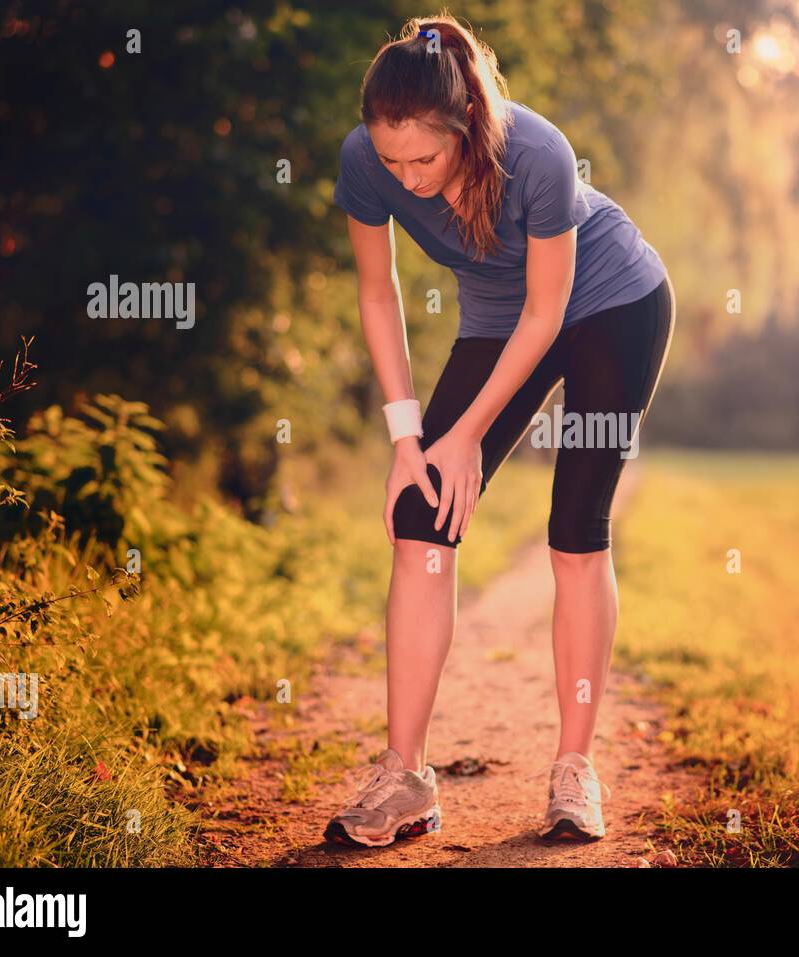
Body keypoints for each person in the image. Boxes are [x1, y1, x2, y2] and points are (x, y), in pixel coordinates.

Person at [323, 12, 674, 848]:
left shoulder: (537, 155)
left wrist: (468, 433)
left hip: (609, 308)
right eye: (391, 159)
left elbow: (549, 311)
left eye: (426, 159)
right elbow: (379, 296)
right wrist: (410, 440)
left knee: (574, 534)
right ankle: (404, 773)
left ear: (467, 131)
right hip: (495, 322)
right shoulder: (364, 162)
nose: (406, 177)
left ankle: (573, 771)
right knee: (420, 518)